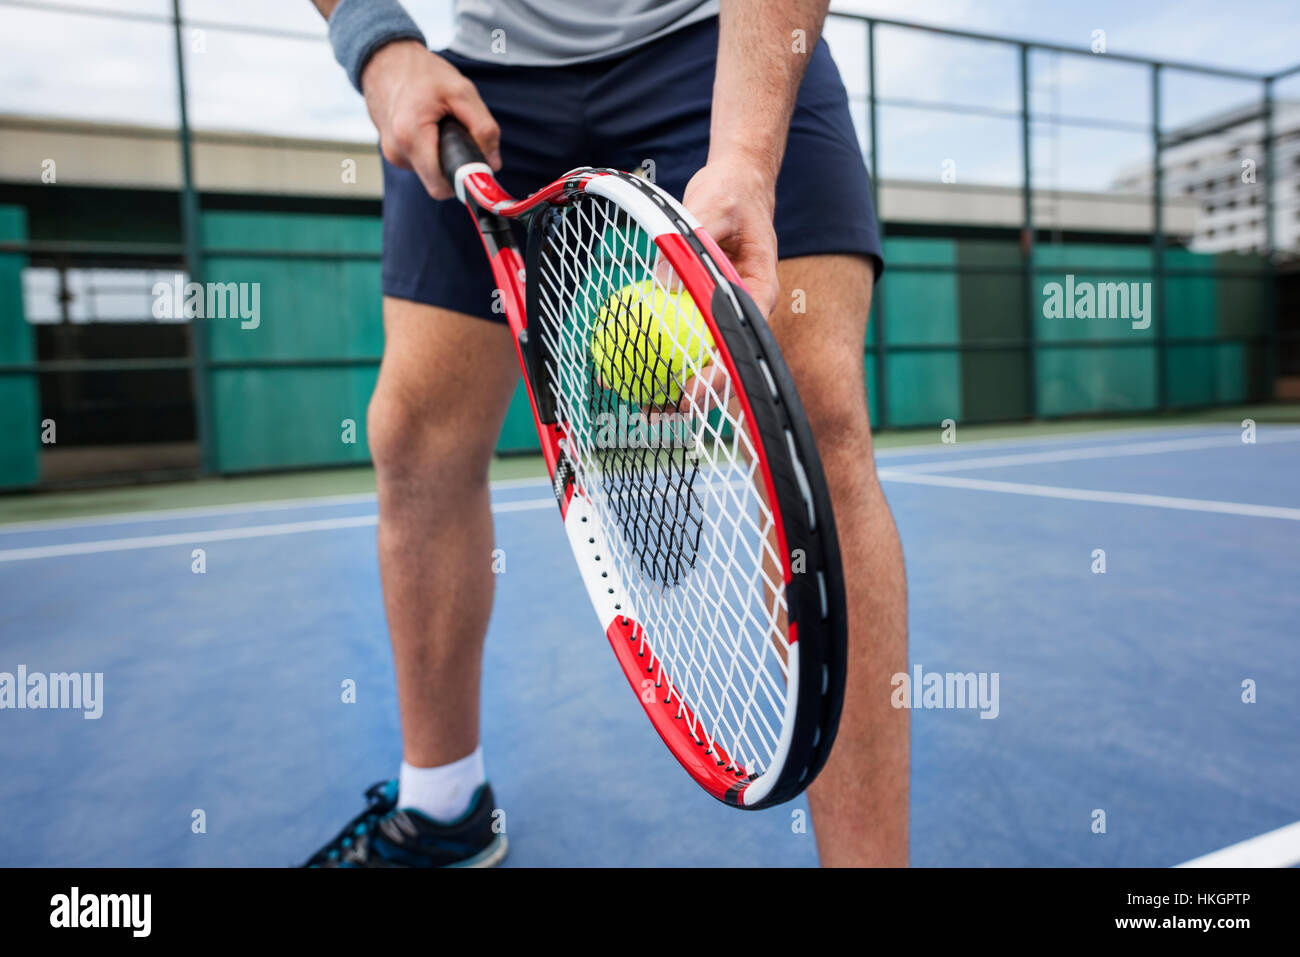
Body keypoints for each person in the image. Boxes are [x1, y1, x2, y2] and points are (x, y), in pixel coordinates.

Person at [303, 0, 907, 868]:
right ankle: (444, 811)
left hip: (719, 41)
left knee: (819, 424)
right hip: (490, 83)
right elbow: (371, 32)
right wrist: (375, 43)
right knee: (413, 437)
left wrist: (742, 157)